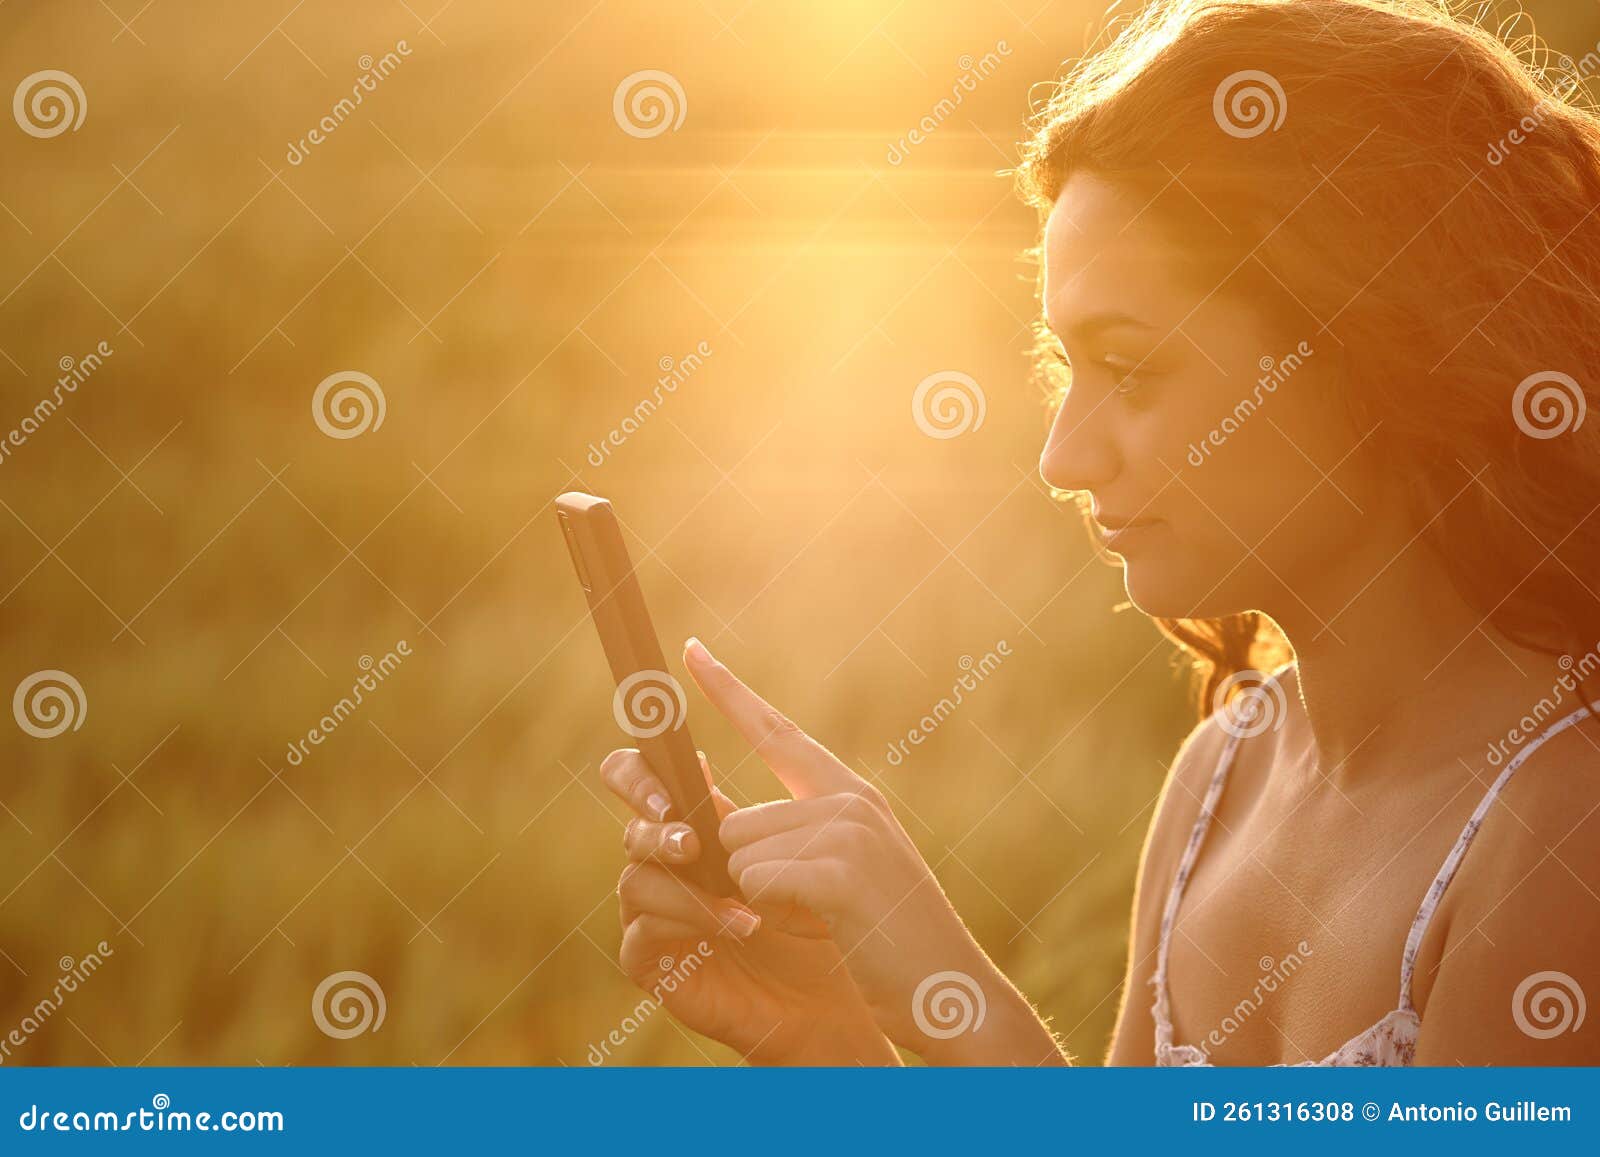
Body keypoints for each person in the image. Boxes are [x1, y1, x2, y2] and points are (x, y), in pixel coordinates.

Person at [599, 0, 1600, 1065]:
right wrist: (836, 1038)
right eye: (1062, 365)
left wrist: (956, 994)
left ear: (1370, 349)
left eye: (1129, 367)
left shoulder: (1559, 832)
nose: (1062, 457)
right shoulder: (1223, 778)